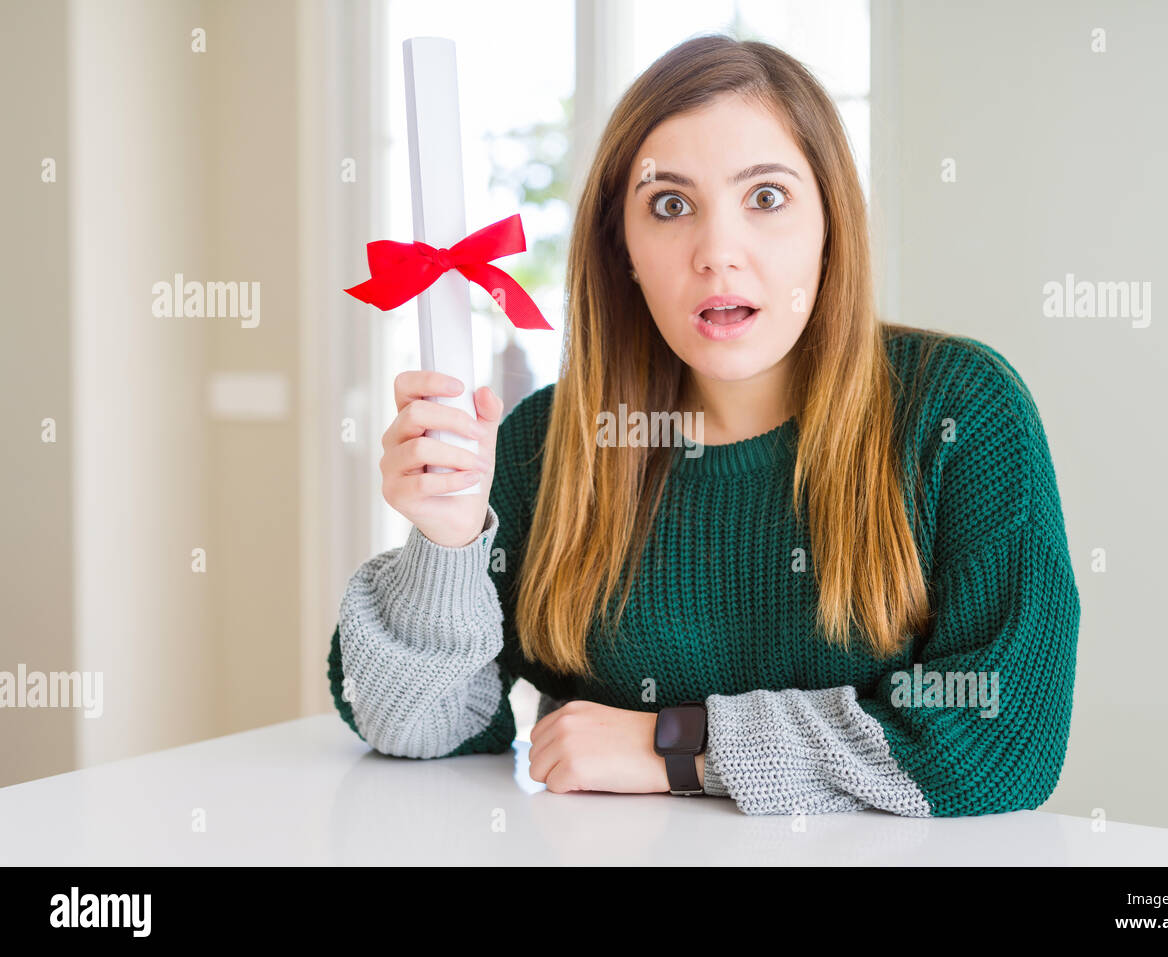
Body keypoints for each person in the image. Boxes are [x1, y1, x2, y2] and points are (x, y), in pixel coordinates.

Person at [327, 34, 1081, 817]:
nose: (718, 253)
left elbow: (1002, 739)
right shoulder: (547, 444)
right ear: (623, 250)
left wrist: (675, 746)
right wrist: (446, 546)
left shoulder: (960, 412)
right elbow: (417, 727)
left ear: (832, 224)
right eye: (671, 205)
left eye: (766, 197)